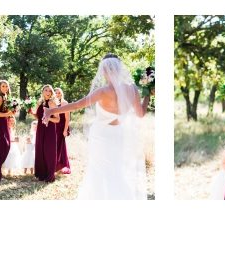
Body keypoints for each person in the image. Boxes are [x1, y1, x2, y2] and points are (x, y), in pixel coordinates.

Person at [42, 53, 150, 199]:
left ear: (104, 71)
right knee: (117, 169)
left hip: (101, 136)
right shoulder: (132, 90)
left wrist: (52, 111)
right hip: (119, 135)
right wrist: (148, 94)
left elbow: (77, 105)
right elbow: (141, 113)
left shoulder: (103, 92)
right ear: (119, 69)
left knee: (100, 172)